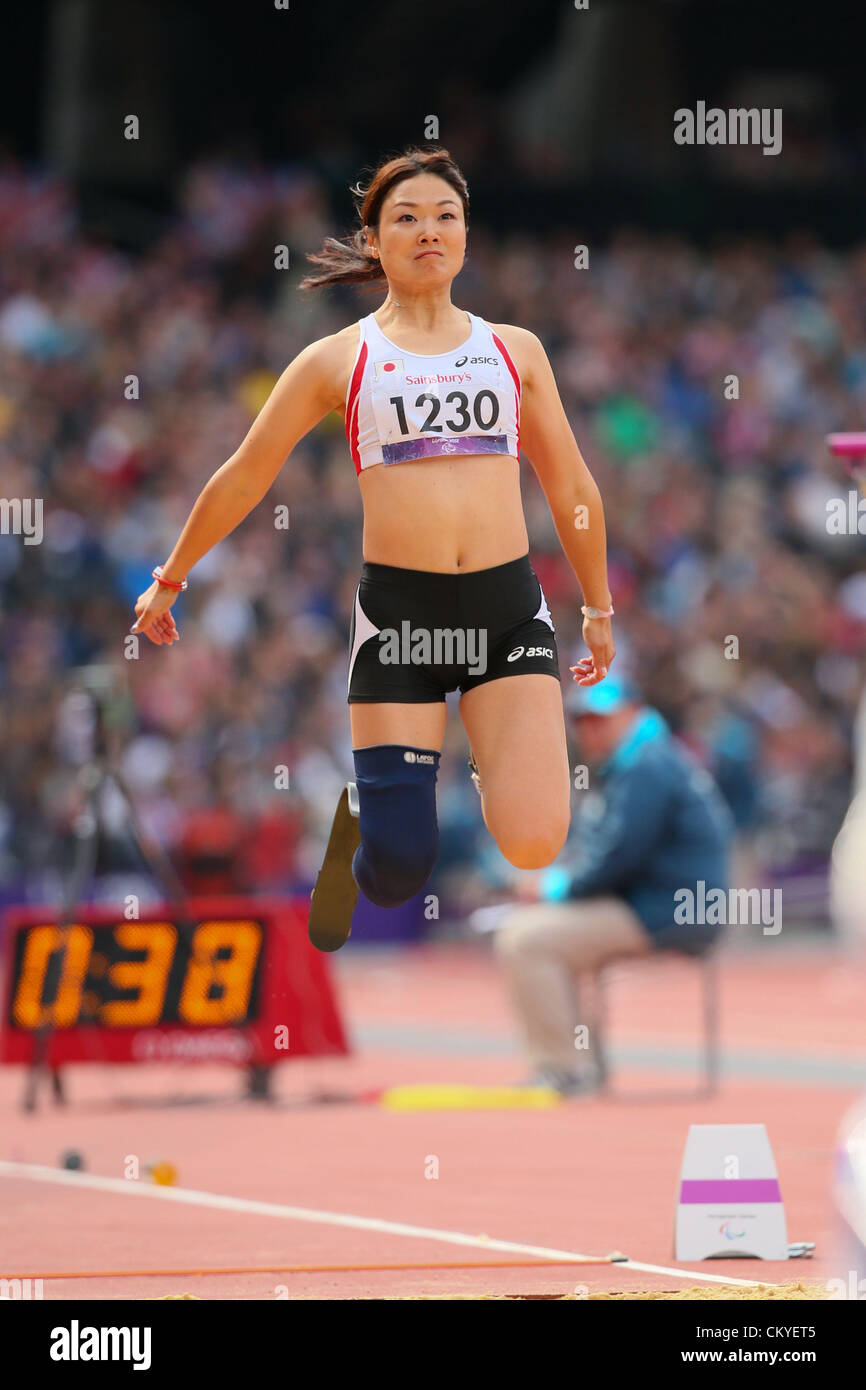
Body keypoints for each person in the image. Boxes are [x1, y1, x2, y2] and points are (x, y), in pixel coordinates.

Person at [131, 146, 615, 951]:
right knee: (397, 871)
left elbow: (573, 488)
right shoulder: (339, 360)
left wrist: (598, 606)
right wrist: (170, 578)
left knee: (535, 841)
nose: (430, 231)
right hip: (402, 625)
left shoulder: (516, 350)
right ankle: (357, 831)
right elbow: (246, 475)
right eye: (407, 218)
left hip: (506, 614)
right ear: (374, 239)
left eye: (446, 217)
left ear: (466, 235)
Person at [494, 674, 733, 1094]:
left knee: (524, 939)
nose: (590, 729)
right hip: (658, 904)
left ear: (635, 713)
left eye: (601, 719)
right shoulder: (645, 760)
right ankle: (583, 1064)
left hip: (664, 911)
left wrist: (552, 889)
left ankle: (561, 1070)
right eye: (583, 721)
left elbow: (617, 859)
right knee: (545, 932)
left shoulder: (647, 766)